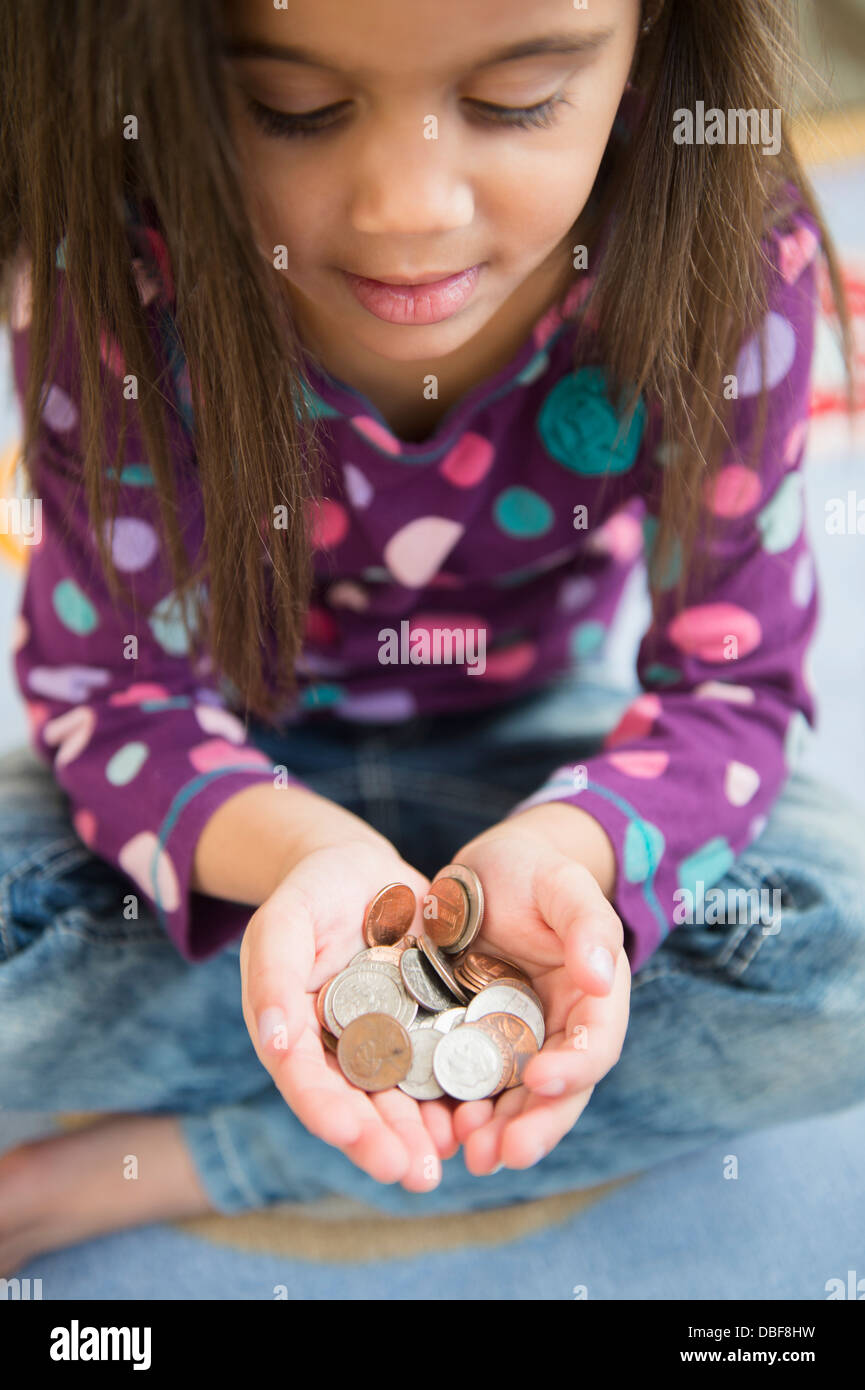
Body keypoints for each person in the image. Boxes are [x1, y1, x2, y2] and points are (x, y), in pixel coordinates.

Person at [1, 0, 864, 1274]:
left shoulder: (734, 256)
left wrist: (573, 855)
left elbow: (728, 689)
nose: (407, 206)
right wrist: (300, 856)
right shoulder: (121, 284)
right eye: (292, 108)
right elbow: (112, 700)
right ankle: (368, 1046)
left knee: (837, 965)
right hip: (229, 785)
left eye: (516, 99)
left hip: (546, 754)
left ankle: (196, 1157)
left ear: (651, 46)